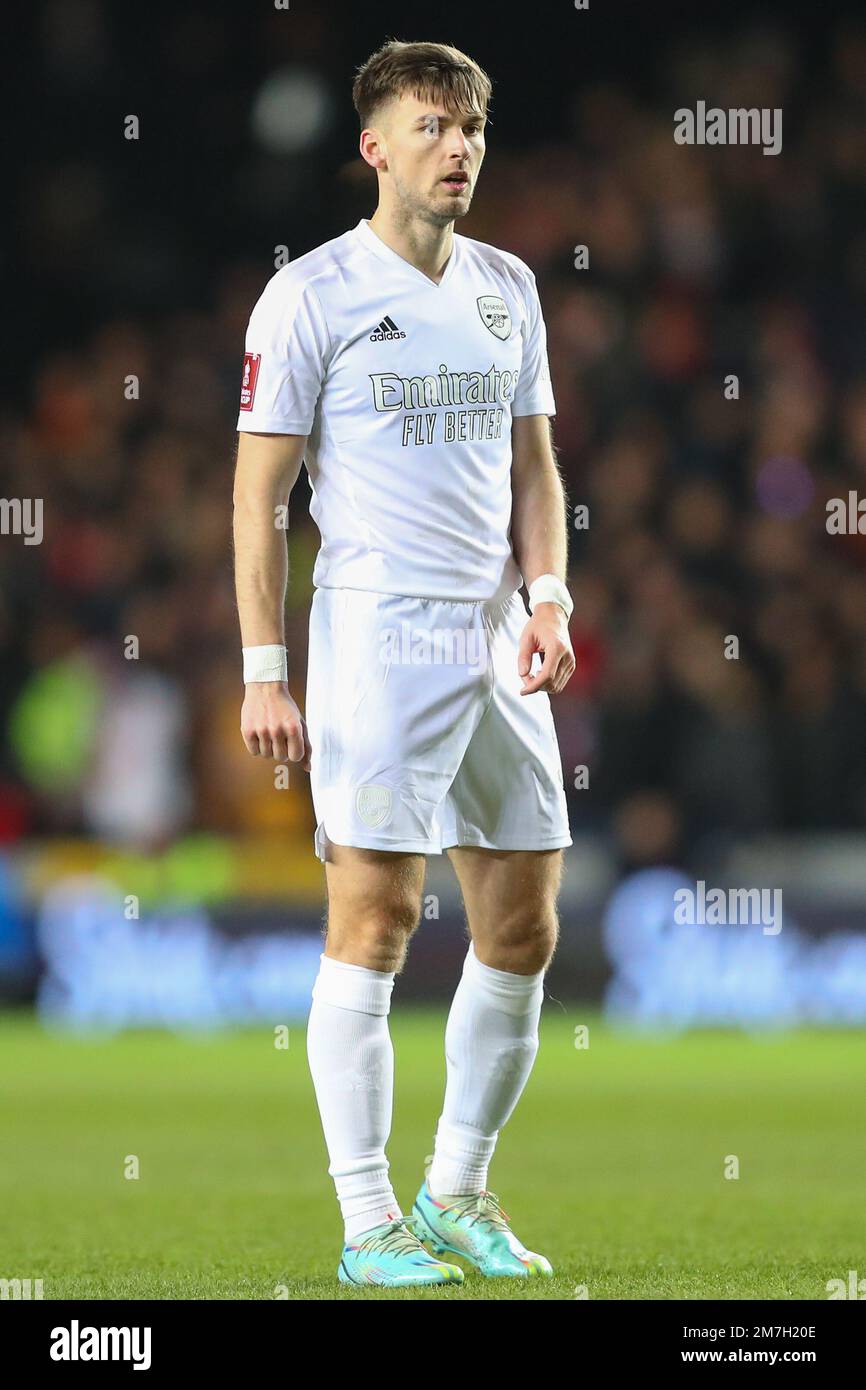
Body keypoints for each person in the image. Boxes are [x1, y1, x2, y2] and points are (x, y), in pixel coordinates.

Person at [232, 39, 574, 1288]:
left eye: (471, 128)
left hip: (493, 637)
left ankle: (457, 1190)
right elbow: (256, 496)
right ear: (374, 147)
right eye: (432, 128)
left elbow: (533, 465)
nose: (459, 149)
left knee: (524, 923)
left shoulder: (506, 287)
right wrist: (266, 668)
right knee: (373, 918)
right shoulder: (310, 296)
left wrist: (547, 593)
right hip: (376, 633)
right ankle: (367, 1221)